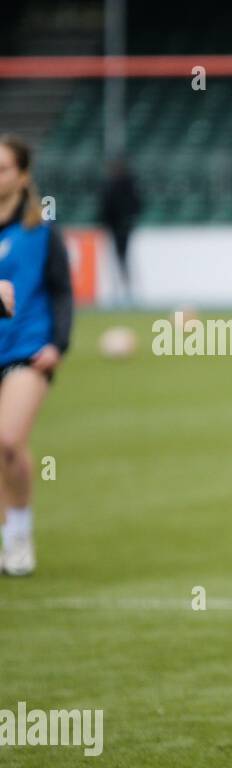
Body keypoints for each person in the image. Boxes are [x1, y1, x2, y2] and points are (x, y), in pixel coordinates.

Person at [0, 135, 73, 576]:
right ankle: (8, 534)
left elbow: (62, 291)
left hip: (28, 350)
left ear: (22, 174)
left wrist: (58, 344)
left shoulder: (40, 229)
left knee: (7, 442)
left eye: (4, 168)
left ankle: (20, 533)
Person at [98, 157, 141, 306]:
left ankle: (124, 293)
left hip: (118, 227)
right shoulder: (129, 185)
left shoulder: (114, 185)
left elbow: (106, 205)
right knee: (121, 259)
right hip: (122, 226)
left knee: (120, 259)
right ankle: (123, 292)